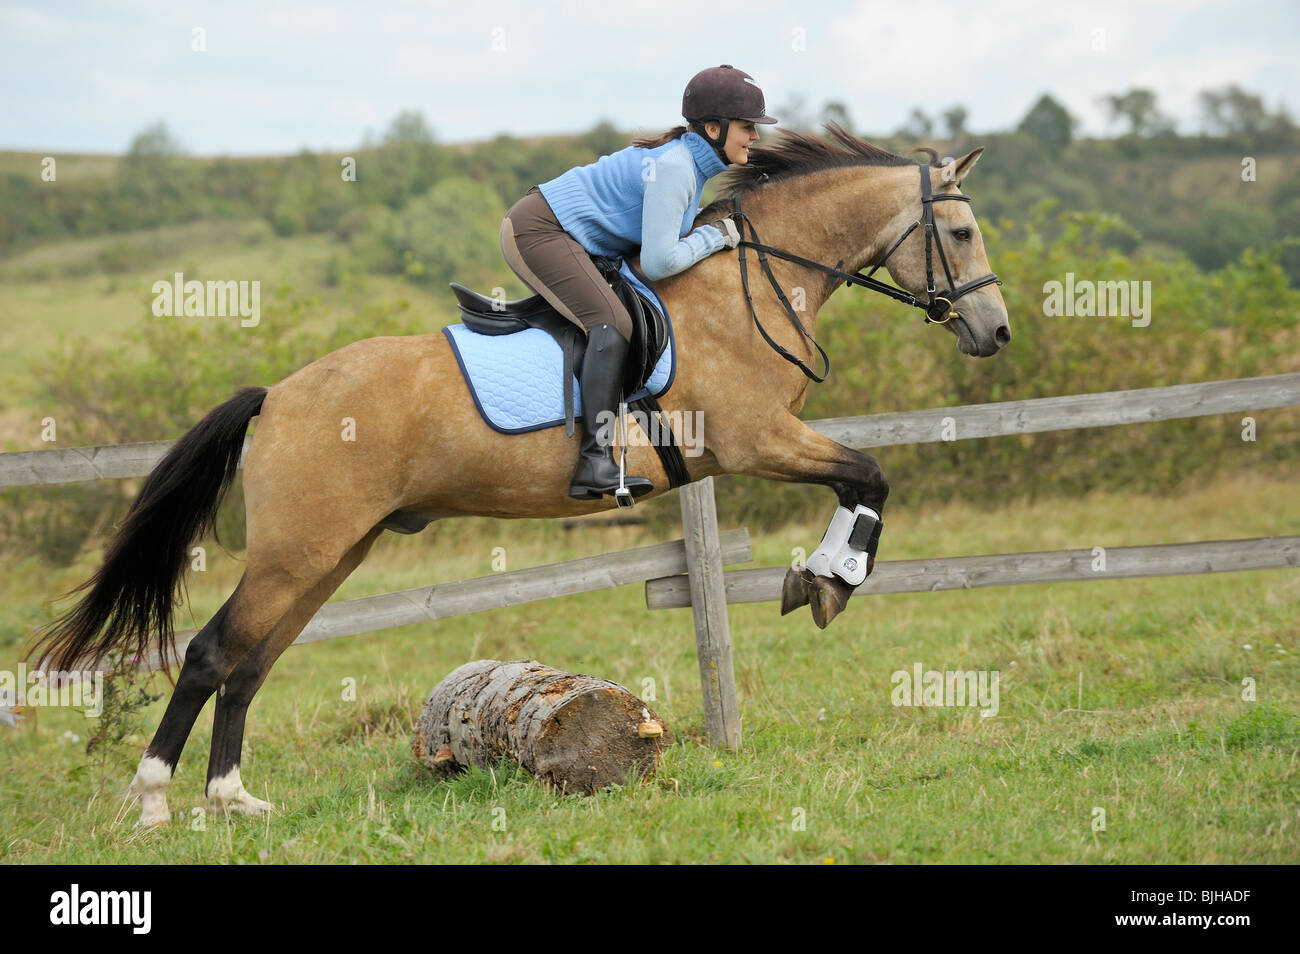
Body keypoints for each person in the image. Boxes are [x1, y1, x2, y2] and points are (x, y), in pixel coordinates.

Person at [499, 64, 778, 502]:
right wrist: (715, 235)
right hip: (538, 231)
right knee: (612, 322)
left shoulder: (689, 164)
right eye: (747, 127)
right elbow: (661, 260)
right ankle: (594, 462)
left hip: (571, 237)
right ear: (713, 128)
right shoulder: (676, 167)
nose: (755, 137)